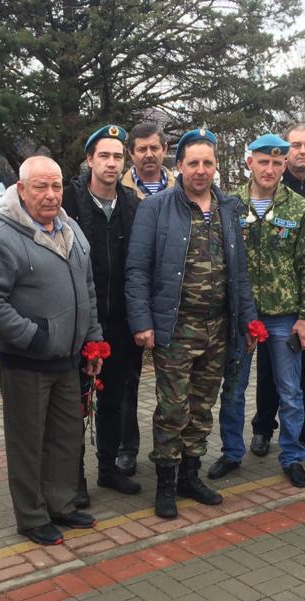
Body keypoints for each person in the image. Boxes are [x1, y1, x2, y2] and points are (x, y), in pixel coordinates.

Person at [125, 129, 257, 519]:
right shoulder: (156, 208)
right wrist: (142, 321)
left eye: (208, 163)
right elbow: (137, 269)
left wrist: (248, 320)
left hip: (218, 327)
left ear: (216, 167)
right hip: (174, 327)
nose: (201, 170)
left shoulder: (228, 208)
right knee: (173, 407)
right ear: (178, 165)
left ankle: (190, 475)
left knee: (202, 406)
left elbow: (241, 273)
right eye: (193, 163)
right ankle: (165, 484)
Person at [0, 156, 104, 546]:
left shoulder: (71, 228)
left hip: (69, 358)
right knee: (28, 443)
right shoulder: (0, 237)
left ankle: (61, 504)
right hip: (27, 360)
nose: (50, 195)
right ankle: (31, 516)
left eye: (56, 186)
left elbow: (88, 289)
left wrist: (93, 338)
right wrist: (33, 337)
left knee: (65, 437)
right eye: (40, 187)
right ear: (21, 189)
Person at [208, 134, 305, 488]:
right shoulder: (228, 206)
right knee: (234, 388)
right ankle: (231, 451)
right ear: (249, 164)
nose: (269, 169)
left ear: (284, 166)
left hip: (284, 315)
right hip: (241, 315)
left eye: (276, 163)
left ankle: (292, 455)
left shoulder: (299, 208)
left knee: (290, 390)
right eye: (263, 161)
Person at [62, 125, 142, 502]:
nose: (112, 163)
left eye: (118, 156)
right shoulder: (67, 203)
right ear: (90, 160)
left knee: (114, 399)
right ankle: (73, 478)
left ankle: (108, 469)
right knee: (76, 403)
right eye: (104, 156)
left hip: (120, 322)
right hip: (77, 321)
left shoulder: (132, 204)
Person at [249, 123, 305, 456]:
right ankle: (263, 427)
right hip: (273, 300)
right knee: (270, 370)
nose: (302, 150)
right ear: (285, 151)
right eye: (295, 145)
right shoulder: (268, 180)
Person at [116, 123, 177, 477]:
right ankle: (127, 447)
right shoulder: (119, 189)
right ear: (132, 154)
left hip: (170, 298)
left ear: (165, 149)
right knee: (128, 380)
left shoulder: (179, 187)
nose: (149, 154)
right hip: (133, 295)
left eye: (155, 147)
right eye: (141, 149)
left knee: (173, 383)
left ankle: (171, 448)